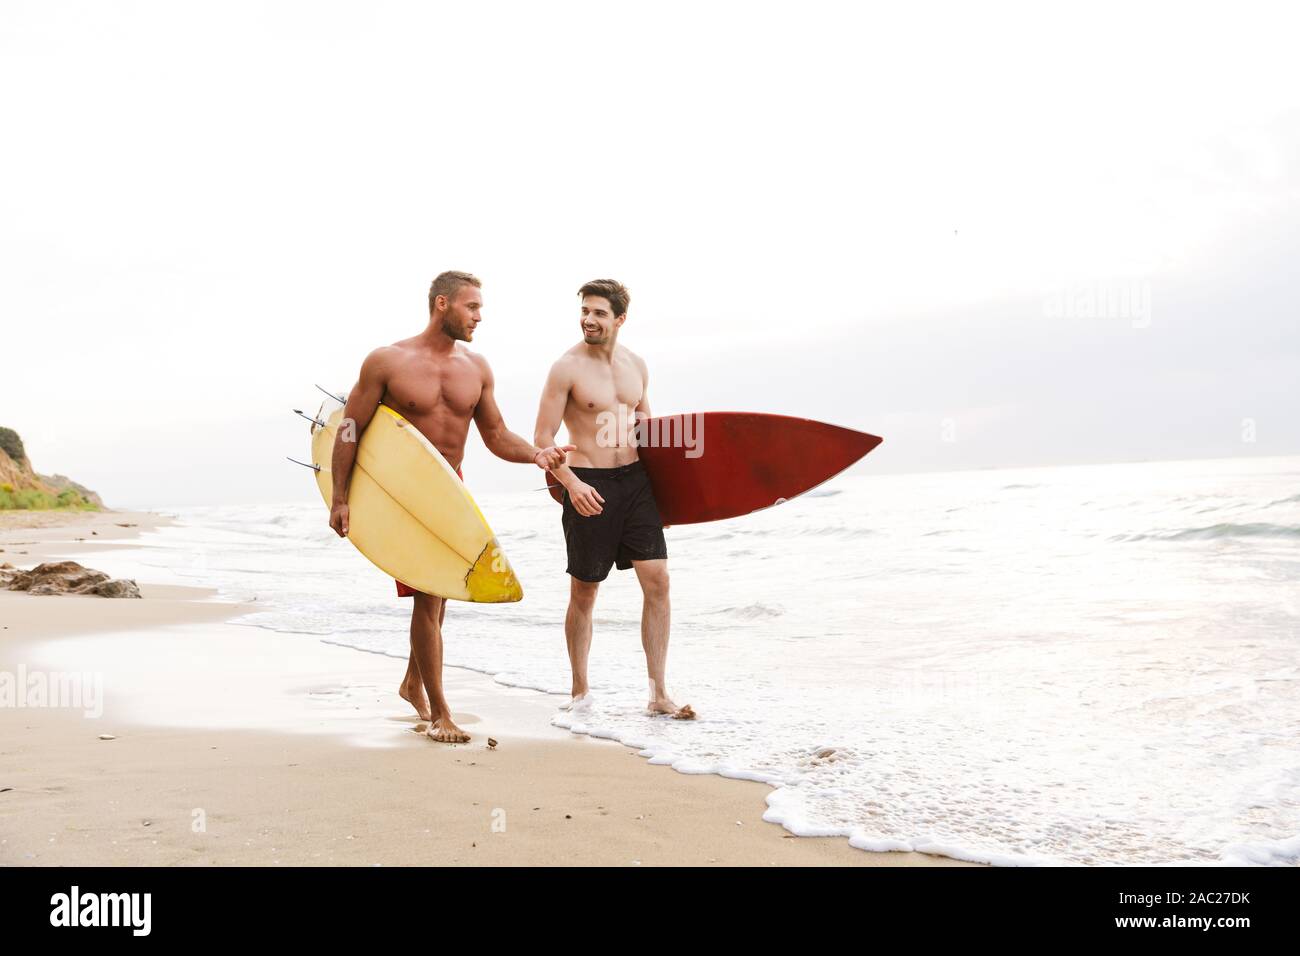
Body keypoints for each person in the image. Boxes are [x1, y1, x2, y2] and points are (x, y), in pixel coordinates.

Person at [329, 270, 572, 742]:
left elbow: (497, 435)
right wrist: (340, 497)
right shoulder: (387, 361)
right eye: (472, 307)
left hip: (450, 488)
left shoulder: (476, 368)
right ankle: (441, 713)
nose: (479, 317)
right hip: (403, 494)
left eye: (480, 308)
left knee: (437, 598)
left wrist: (537, 454)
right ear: (442, 304)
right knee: (430, 593)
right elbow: (349, 427)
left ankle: (412, 683)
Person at [534, 279, 695, 720]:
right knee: (585, 590)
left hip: (636, 483)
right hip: (587, 482)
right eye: (585, 311)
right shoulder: (565, 367)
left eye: (599, 312)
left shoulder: (636, 366)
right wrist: (570, 483)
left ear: (620, 318)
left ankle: (658, 692)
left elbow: (649, 431)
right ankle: (580, 691)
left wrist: (670, 497)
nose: (589, 319)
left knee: (658, 581)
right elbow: (542, 438)